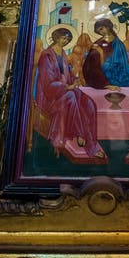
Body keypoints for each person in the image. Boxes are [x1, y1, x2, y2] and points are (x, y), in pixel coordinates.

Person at [35, 27, 105, 159]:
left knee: (88, 103)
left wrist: (75, 80)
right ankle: (84, 138)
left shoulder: (63, 54)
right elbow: (47, 84)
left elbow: (66, 75)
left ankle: (89, 139)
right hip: (51, 98)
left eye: (68, 38)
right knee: (71, 96)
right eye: (63, 37)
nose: (66, 40)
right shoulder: (46, 56)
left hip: (64, 91)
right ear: (56, 37)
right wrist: (68, 86)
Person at [82, 19, 129, 89]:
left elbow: (123, 62)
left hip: (118, 71)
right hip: (103, 72)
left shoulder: (118, 43)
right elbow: (92, 63)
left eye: (101, 29)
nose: (101, 32)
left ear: (108, 27)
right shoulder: (98, 44)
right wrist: (101, 53)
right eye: (99, 31)